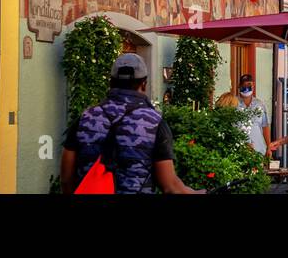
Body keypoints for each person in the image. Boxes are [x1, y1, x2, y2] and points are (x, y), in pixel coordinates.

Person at [61, 53, 199, 194]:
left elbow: (66, 179)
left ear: (111, 82)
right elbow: (170, 186)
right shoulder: (154, 123)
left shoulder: (85, 118)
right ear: (144, 84)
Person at [236, 73, 280, 156]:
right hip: (239, 150)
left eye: (250, 85)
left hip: (258, 149)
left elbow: (265, 127)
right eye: (244, 85)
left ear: (253, 86)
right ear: (239, 86)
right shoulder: (233, 103)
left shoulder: (260, 104)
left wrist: (268, 147)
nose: (247, 87)